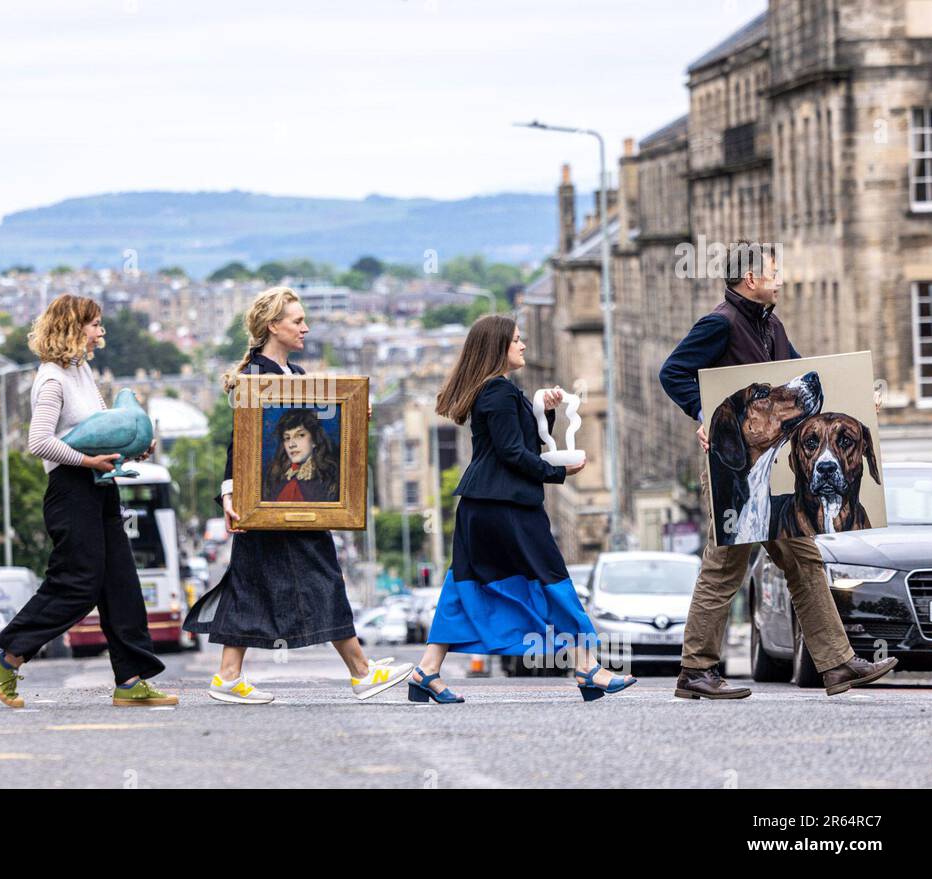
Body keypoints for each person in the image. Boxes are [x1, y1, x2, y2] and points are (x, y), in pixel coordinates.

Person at [659, 240, 898, 698]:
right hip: (733, 470)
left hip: (767, 478)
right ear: (751, 279)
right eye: (774, 271)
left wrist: (857, 402)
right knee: (726, 563)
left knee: (804, 560)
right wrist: (704, 414)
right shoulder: (720, 324)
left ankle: (836, 663)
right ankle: (695, 670)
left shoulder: (771, 325)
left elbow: (809, 375)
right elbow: (672, 373)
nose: (781, 278)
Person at [183, 286, 413, 704]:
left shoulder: (297, 376)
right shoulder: (256, 377)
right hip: (272, 502)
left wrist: (353, 413)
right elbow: (241, 443)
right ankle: (361, 672)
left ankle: (228, 677)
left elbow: (320, 436)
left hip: (293, 499)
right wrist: (231, 493)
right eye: (297, 320)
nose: (305, 327)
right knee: (319, 577)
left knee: (249, 586)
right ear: (274, 326)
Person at [410, 315, 633, 703]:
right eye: (516, 340)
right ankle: (587, 668)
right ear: (498, 347)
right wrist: (557, 471)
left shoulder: (496, 390)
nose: (523, 345)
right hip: (505, 507)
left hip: (485, 507)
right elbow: (513, 454)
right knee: (553, 580)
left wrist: (542, 412)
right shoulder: (496, 391)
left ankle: (427, 670)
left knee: (466, 583)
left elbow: (514, 443)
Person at [0, 294, 176, 708]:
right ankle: (8, 658)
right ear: (72, 329)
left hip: (100, 485)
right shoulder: (52, 379)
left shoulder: (81, 371)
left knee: (120, 582)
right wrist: (88, 460)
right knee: (77, 584)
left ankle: (131, 680)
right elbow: (39, 442)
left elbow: (103, 428)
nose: (101, 332)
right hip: (71, 492)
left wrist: (131, 449)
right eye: (95, 325)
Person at [262, 408, 340, 502]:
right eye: (287, 438)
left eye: (300, 435)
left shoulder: (330, 477)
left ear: (314, 440)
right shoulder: (275, 477)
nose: (291, 445)